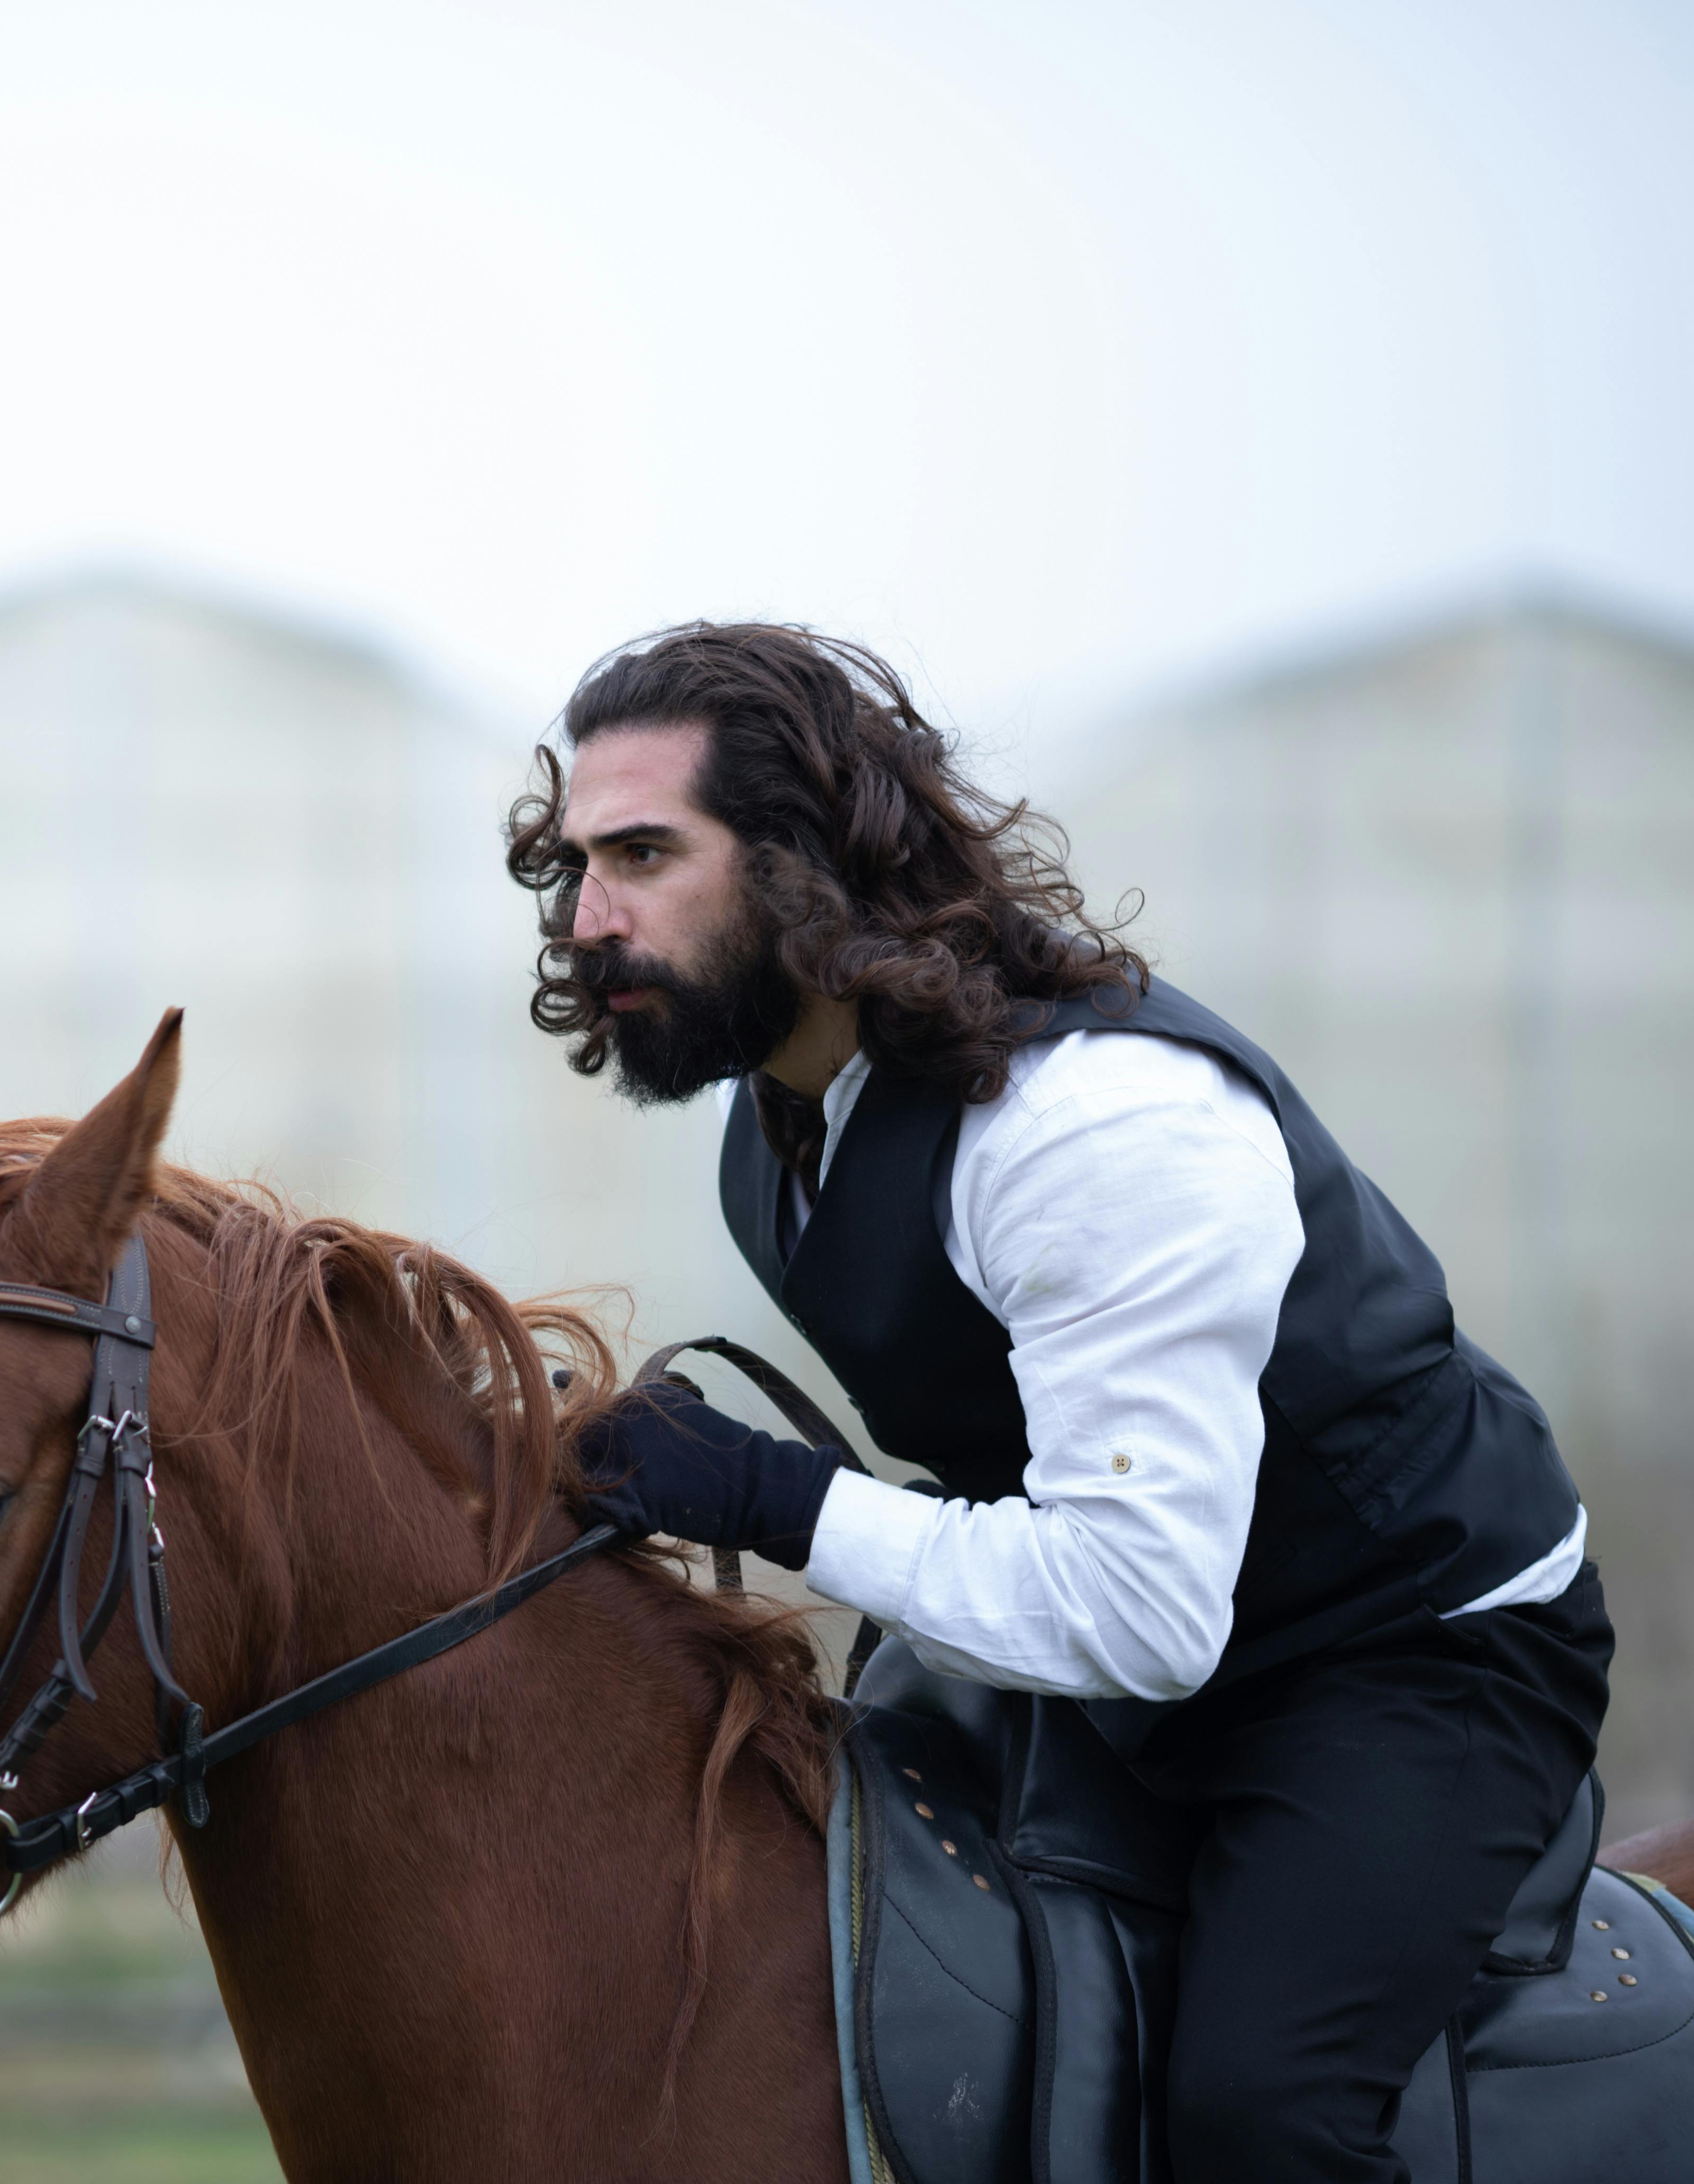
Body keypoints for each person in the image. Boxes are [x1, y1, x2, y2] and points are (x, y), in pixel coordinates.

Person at [509, 623, 1611, 2183]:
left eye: (641, 855)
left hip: (1406, 1655)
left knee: (1258, 2119)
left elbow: (1145, 1616)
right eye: (569, 866)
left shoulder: (1092, 1127)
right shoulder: (780, 1119)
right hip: (1146, 1646)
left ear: (806, 865)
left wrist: (777, 1501)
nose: (586, 920)